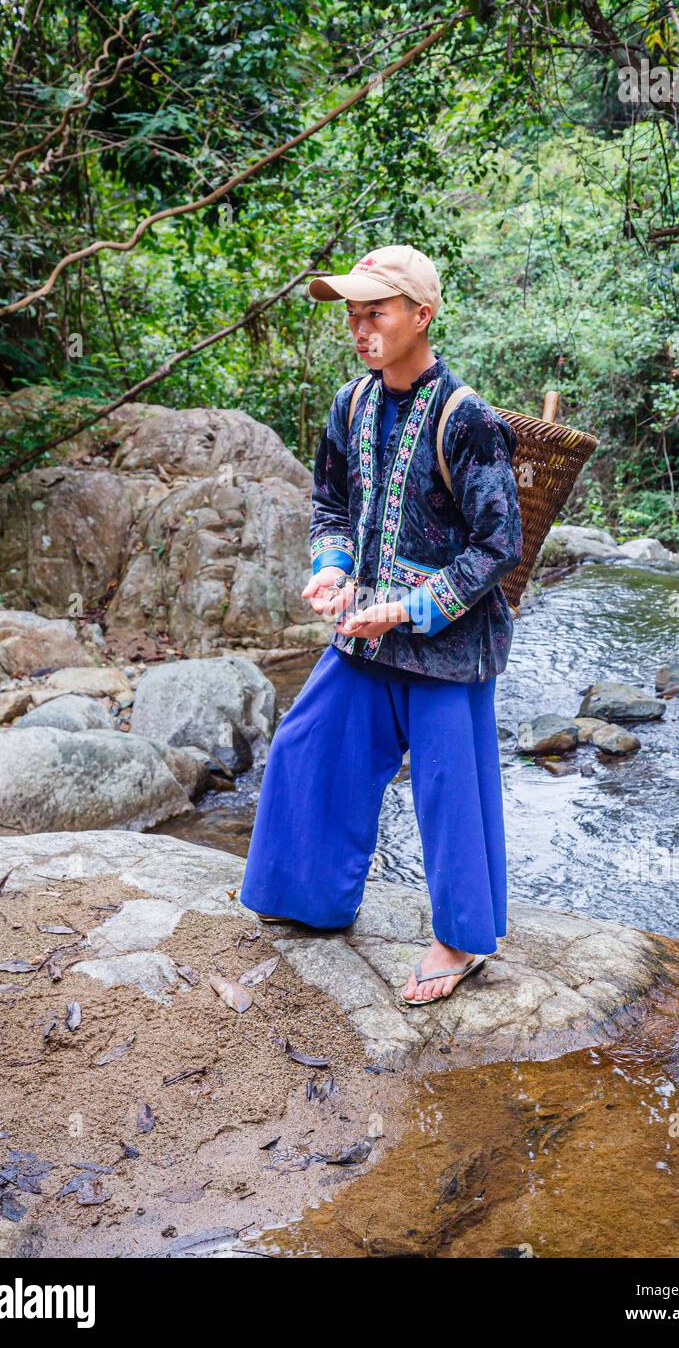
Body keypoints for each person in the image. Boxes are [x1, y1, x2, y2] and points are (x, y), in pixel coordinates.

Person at [239, 244, 523, 1005]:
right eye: (353, 314)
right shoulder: (351, 404)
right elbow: (331, 504)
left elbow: (500, 543)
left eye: (377, 311)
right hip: (363, 633)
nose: (360, 327)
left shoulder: (469, 421)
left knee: (449, 790)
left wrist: (415, 606)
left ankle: (460, 943)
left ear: (422, 316)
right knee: (308, 743)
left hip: (448, 646)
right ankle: (308, 898)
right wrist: (332, 567)